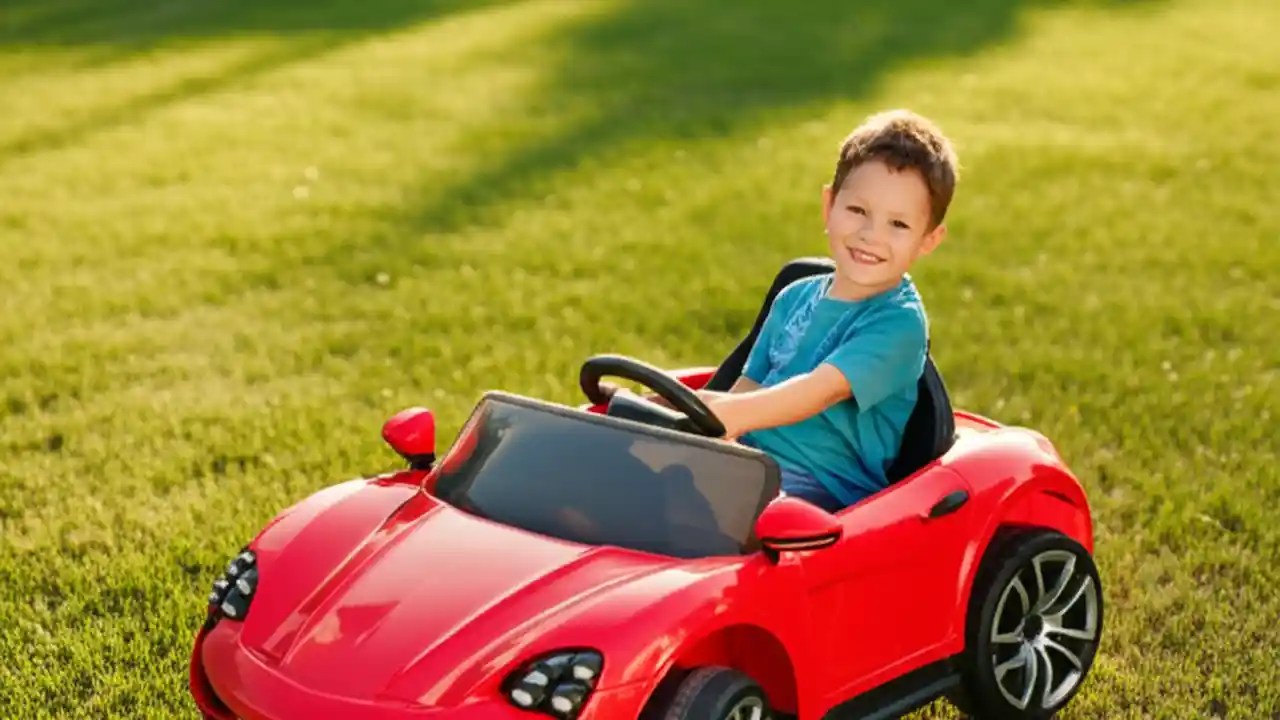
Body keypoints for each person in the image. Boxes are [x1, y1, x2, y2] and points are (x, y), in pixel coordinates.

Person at [697, 109, 960, 513]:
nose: (871, 235)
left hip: (824, 491)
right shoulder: (794, 296)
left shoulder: (898, 326)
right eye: (858, 211)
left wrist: (728, 417)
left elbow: (817, 392)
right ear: (829, 206)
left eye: (898, 225)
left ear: (929, 240)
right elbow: (745, 390)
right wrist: (680, 416)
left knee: (701, 502)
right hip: (752, 461)